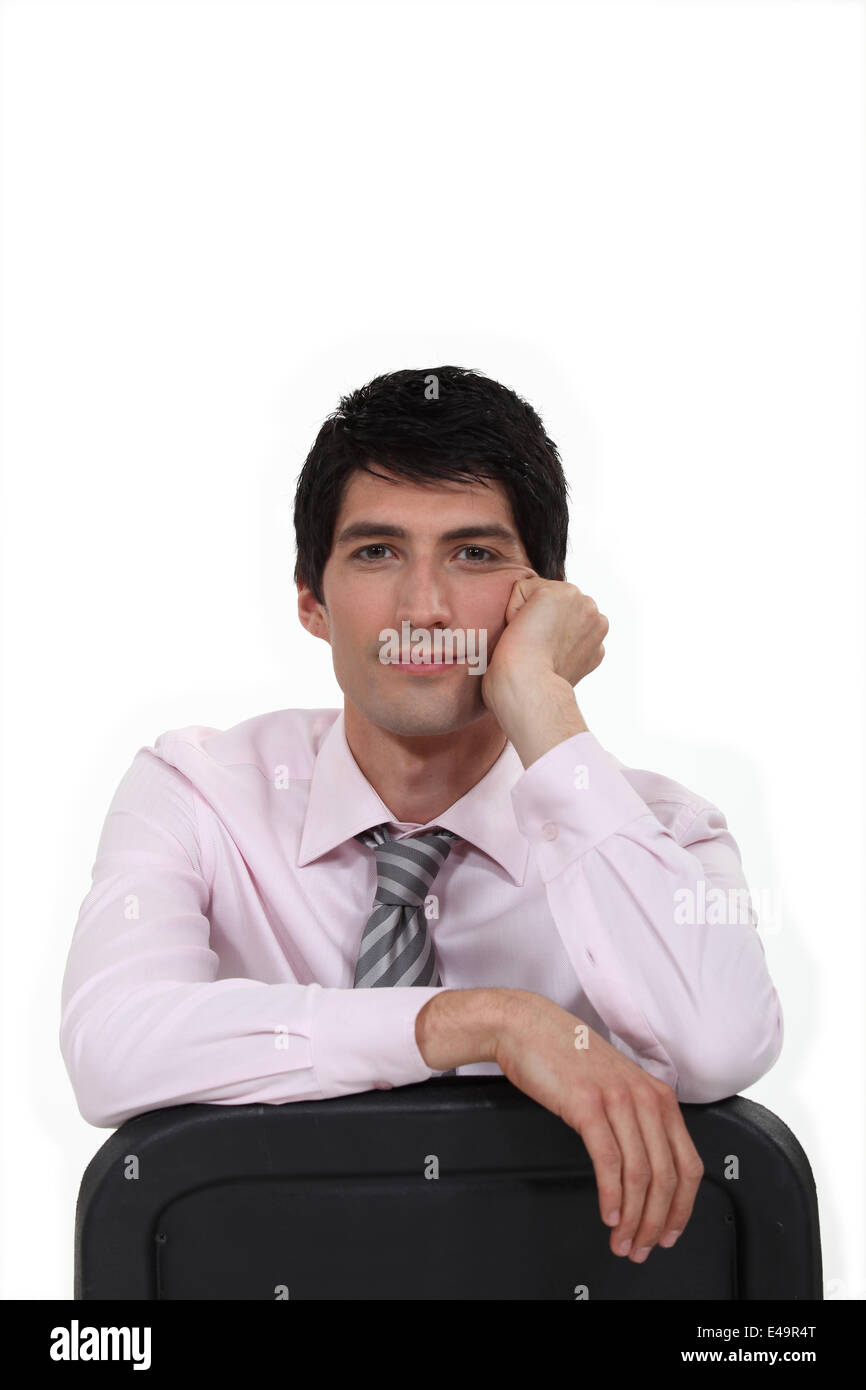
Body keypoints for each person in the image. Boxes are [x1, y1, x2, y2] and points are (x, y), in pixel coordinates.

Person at [59, 364, 783, 1270]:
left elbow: (720, 1045)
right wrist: (485, 1022)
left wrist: (540, 701)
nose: (425, 608)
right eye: (377, 552)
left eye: (474, 554)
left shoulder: (660, 832)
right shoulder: (196, 791)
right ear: (311, 603)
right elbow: (112, 1047)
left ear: (543, 600)